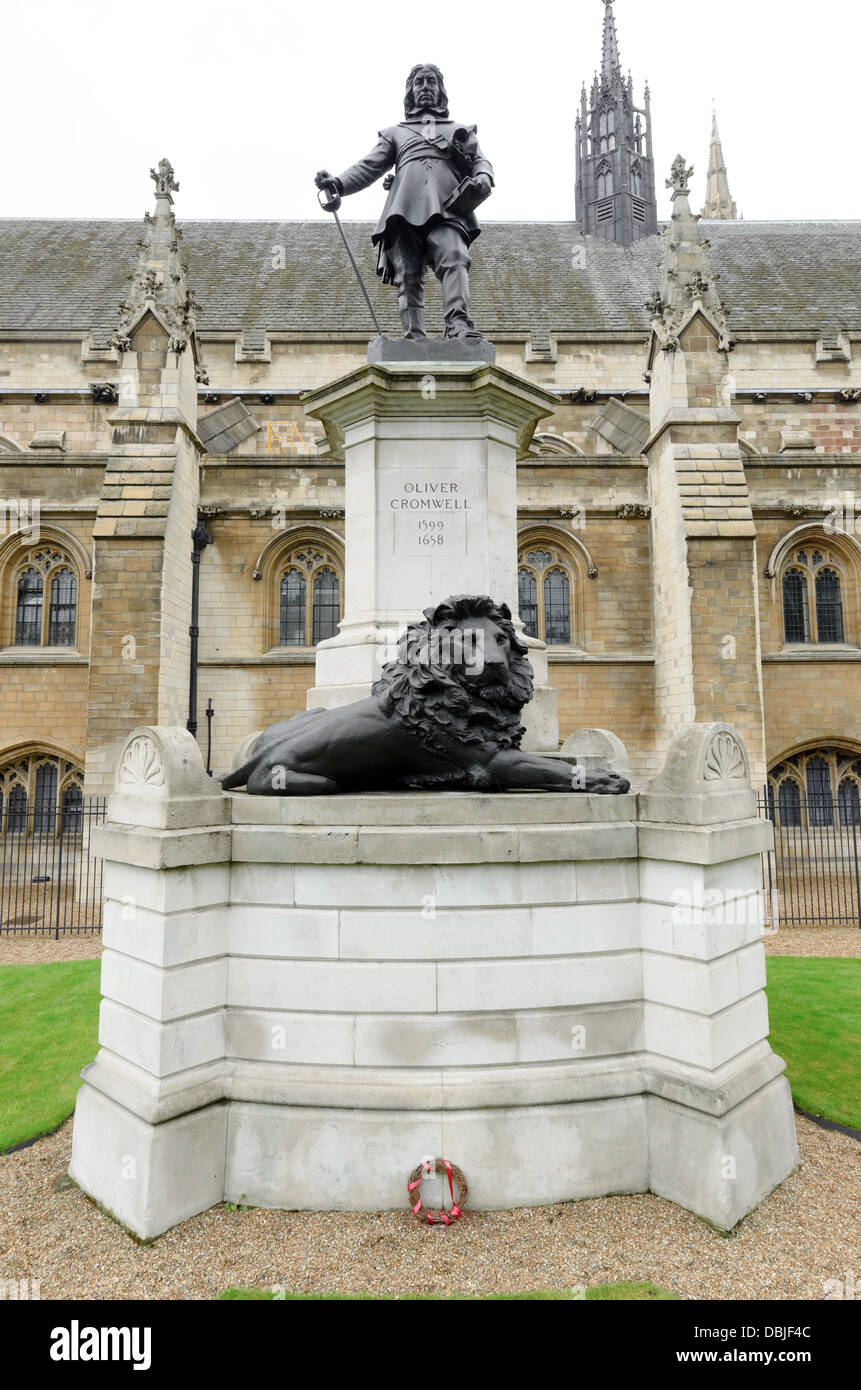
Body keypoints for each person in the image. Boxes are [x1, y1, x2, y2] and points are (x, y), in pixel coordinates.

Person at [315, 63, 493, 342]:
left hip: (447, 205)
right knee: (408, 274)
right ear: (410, 91)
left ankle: (458, 325)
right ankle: (413, 338)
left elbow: (480, 161)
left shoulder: (460, 131)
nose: (425, 87)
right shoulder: (395, 133)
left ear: (440, 90)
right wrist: (338, 183)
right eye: (419, 82)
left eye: (431, 82)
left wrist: (483, 175)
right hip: (404, 208)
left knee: (454, 256)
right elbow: (369, 166)